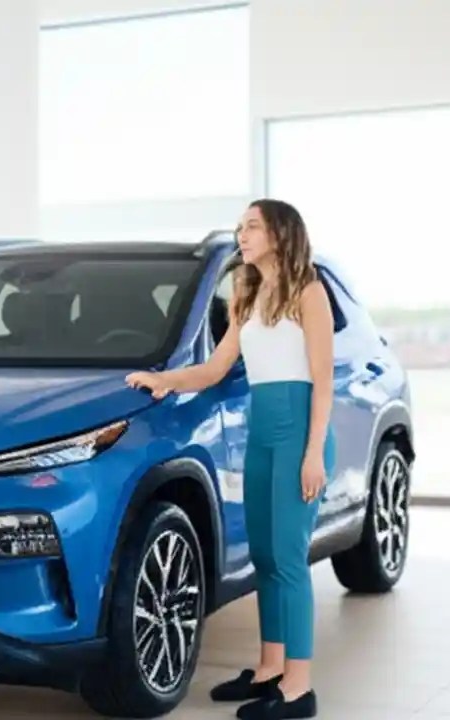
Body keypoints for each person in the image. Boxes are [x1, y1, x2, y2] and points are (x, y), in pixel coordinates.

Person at [126, 199, 334, 720]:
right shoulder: (246, 294)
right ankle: (269, 670)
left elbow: (324, 381)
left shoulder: (309, 292)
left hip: (298, 432)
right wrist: (164, 380)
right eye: (241, 227)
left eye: (253, 227)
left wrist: (313, 454)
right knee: (264, 556)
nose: (243, 236)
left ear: (281, 233)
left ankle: (298, 688)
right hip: (263, 431)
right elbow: (217, 368)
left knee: (288, 559)